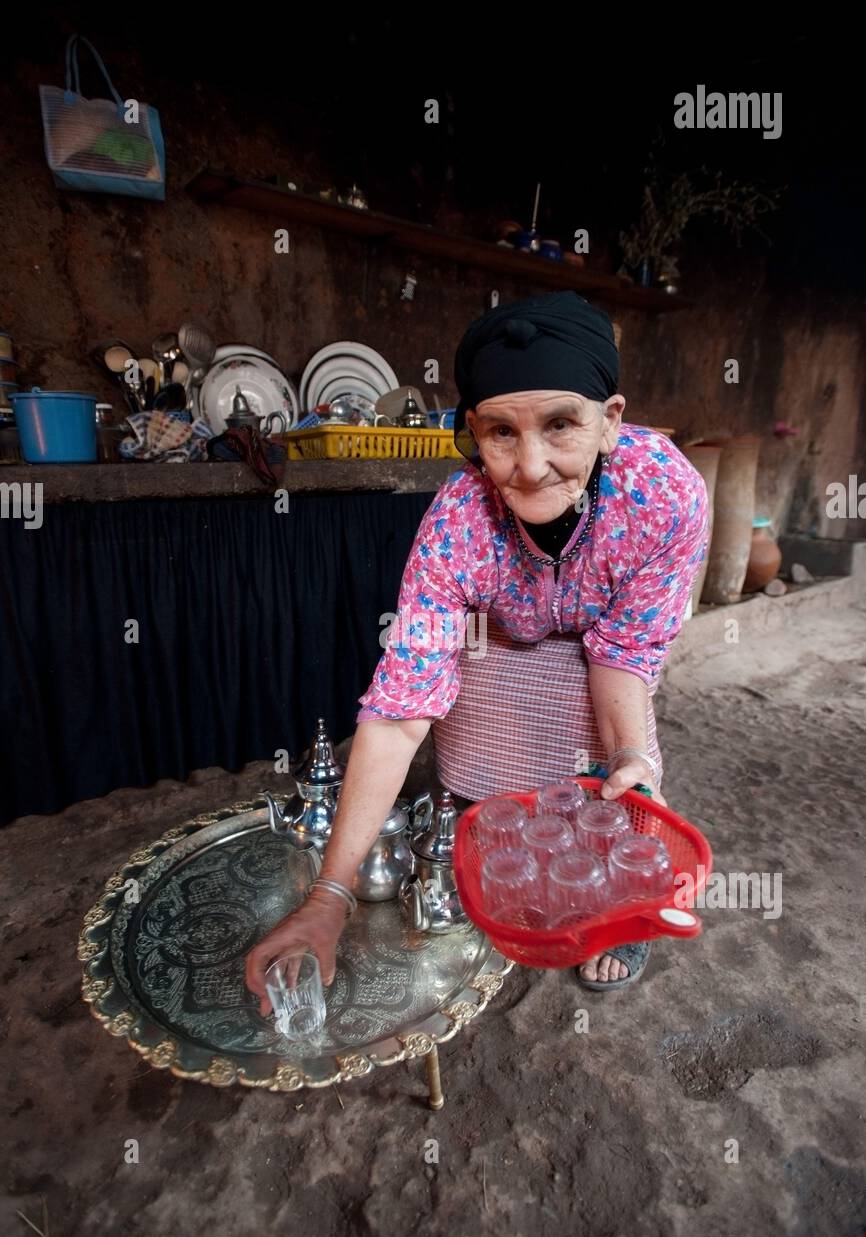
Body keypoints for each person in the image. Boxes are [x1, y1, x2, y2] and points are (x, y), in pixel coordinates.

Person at [246, 291, 708, 1005]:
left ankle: (619, 910)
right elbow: (402, 710)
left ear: (610, 422)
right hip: (500, 640)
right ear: (471, 432)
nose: (530, 465)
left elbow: (623, 651)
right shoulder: (459, 520)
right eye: (500, 433)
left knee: (622, 785)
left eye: (561, 425)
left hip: (601, 645)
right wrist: (329, 895)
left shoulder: (665, 492)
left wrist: (629, 762)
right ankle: (491, 843)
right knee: (483, 764)